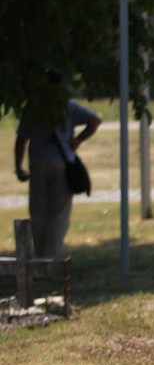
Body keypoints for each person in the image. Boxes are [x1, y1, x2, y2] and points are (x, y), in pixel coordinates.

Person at [13, 73, 101, 258]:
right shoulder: (67, 106)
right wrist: (78, 140)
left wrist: (19, 166)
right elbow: (95, 120)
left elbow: (21, 140)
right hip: (61, 165)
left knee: (38, 213)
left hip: (37, 164)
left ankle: (39, 255)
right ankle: (52, 256)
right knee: (59, 213)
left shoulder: (32, 108)